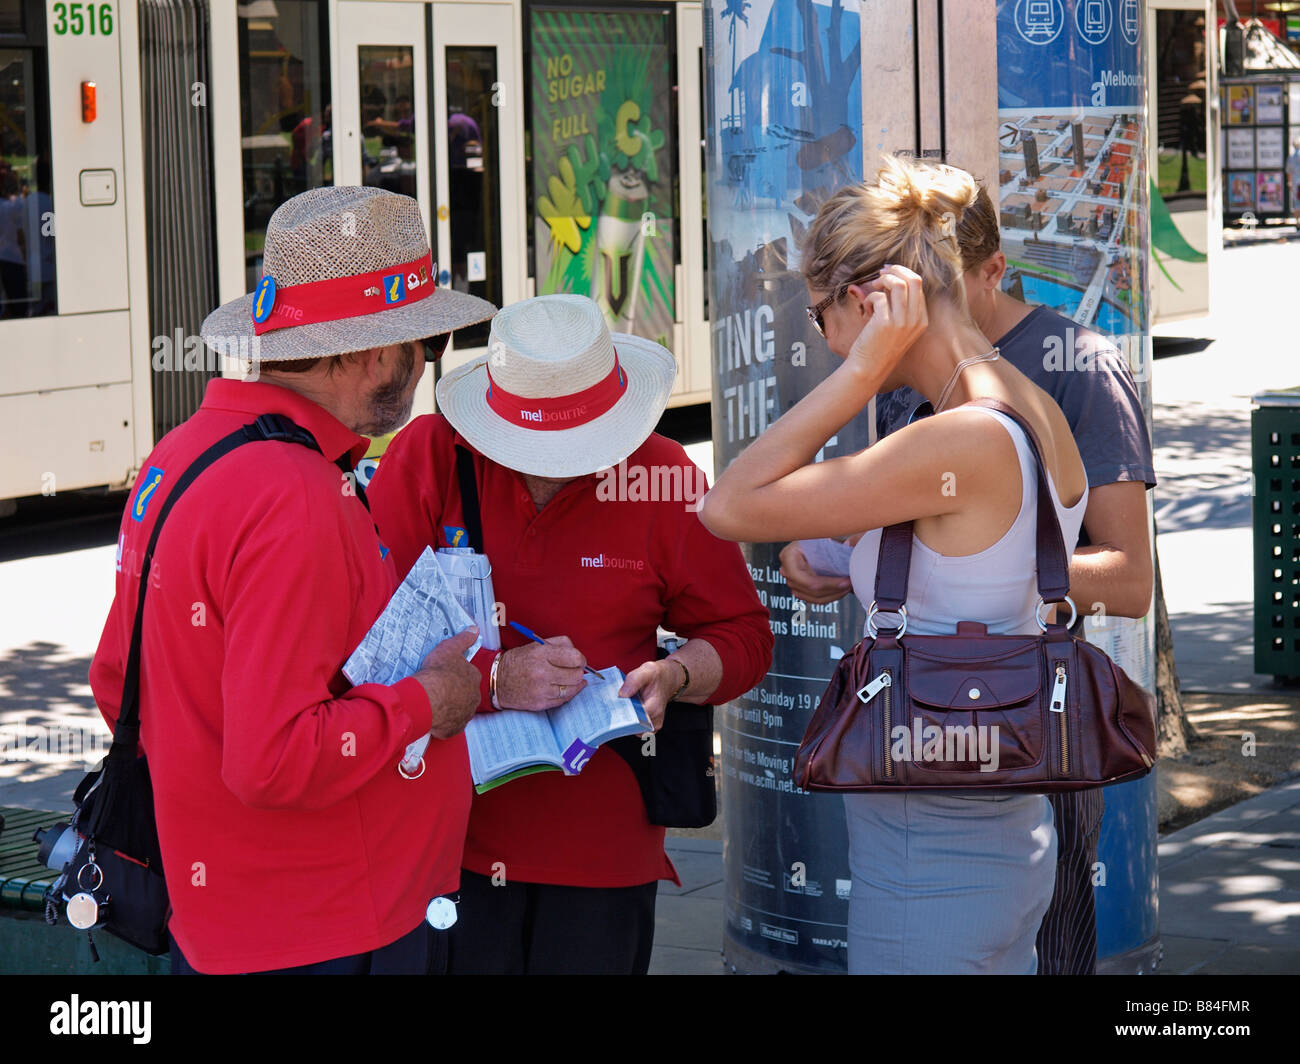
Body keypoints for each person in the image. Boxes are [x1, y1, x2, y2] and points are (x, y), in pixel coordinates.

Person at [89, 186, 496, 974]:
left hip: (226, 919)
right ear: (376, 354)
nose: (425, 369)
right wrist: (430, 700)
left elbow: (118, 682)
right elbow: (274, 759)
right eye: (427, 347)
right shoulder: (297, 494)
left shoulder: (182, 453)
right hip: (324, 928)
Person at [698, 154, 1090, 974]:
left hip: (933, 861)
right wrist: (858, 562)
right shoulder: (1027, 405)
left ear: (864, 301)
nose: (824, 338)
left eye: (819, 317)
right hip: (1002, 831)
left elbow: (727, 505)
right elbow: (985, 558)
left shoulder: (958, 436)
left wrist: (863, 369)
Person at [781, 178, 1156, 975]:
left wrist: (999, 568)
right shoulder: (927, 385)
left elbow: (1127, 579)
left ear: (982, 272)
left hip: (1023, 726)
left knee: (1050, 950)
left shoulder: (1075, 369)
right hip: (948, 744)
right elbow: (924, 533)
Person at [367, 293, 773, 975]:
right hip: (446, 837)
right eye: (535, 446)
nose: (557, 462)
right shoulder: (431, 459)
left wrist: (676, 674)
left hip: (602, 848)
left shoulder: (663, 473)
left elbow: (743, 636)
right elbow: (371, 635)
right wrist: (496, 679)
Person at [1287, 136, 1300, 226]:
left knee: (1296, 202)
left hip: (1296, 182)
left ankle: (1298, 222)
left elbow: (1289, 172)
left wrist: (1290, 182)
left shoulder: (1291, 157)